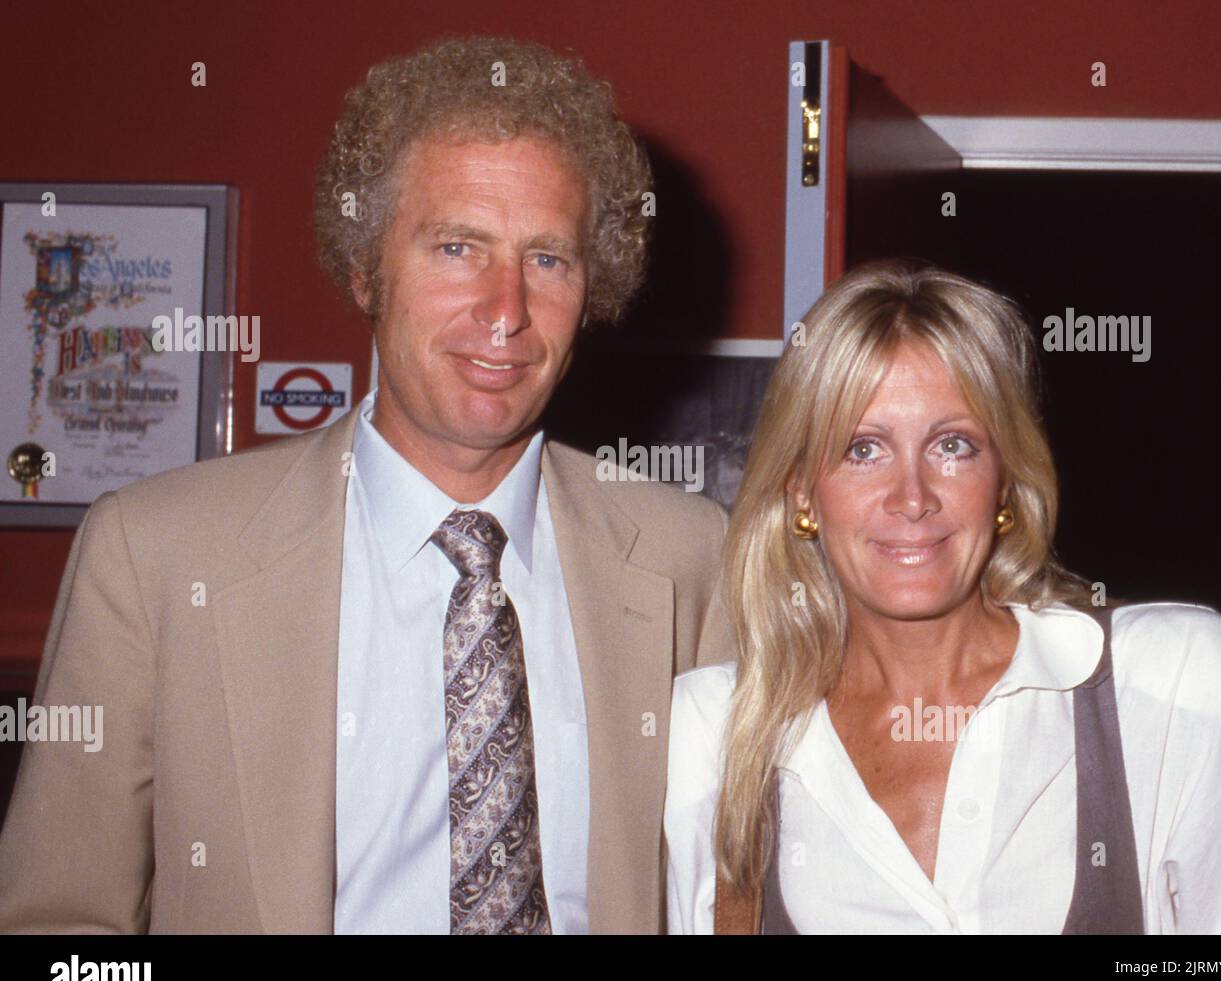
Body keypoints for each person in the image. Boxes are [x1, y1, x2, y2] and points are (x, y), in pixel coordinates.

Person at [0, 35, 735, 935]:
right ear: (365, 269)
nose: (505, 310)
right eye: (458, 246)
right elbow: (57, 929)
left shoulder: (691, 560)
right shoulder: (153, 554)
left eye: (548, 259)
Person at [664, 258, 1221, 934]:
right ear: (800, 490)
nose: (912, 497)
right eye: (862, 449)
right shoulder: (715, 733)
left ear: (1004, 479)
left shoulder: (1168, 679)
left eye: (953, 445)